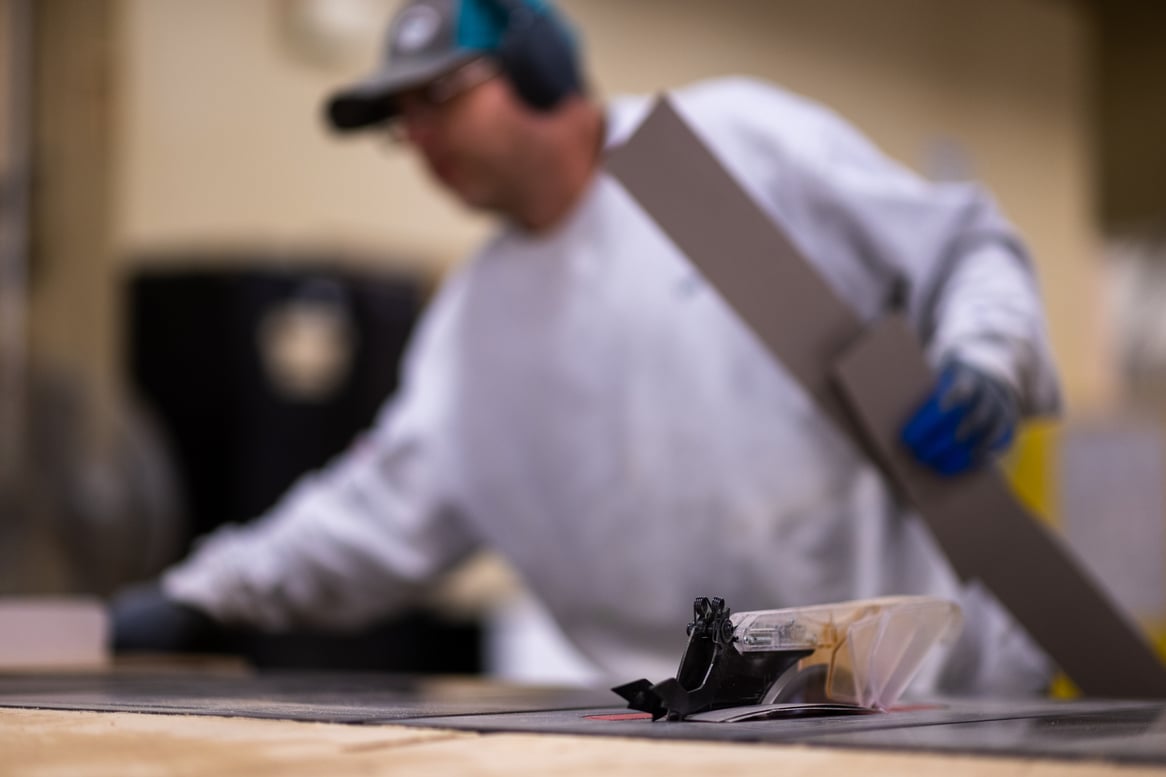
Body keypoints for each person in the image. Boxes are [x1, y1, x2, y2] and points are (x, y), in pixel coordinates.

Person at [113, 0, 1061, 694]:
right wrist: (203, 597)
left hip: (907, 699)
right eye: (400, 121)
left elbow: (963, 246)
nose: (418, 135)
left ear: (539, 67)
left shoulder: (725, 154)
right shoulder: (475, 324)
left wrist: (985, 360)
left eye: (438, 97)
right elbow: (375, 514)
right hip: (689, 727)